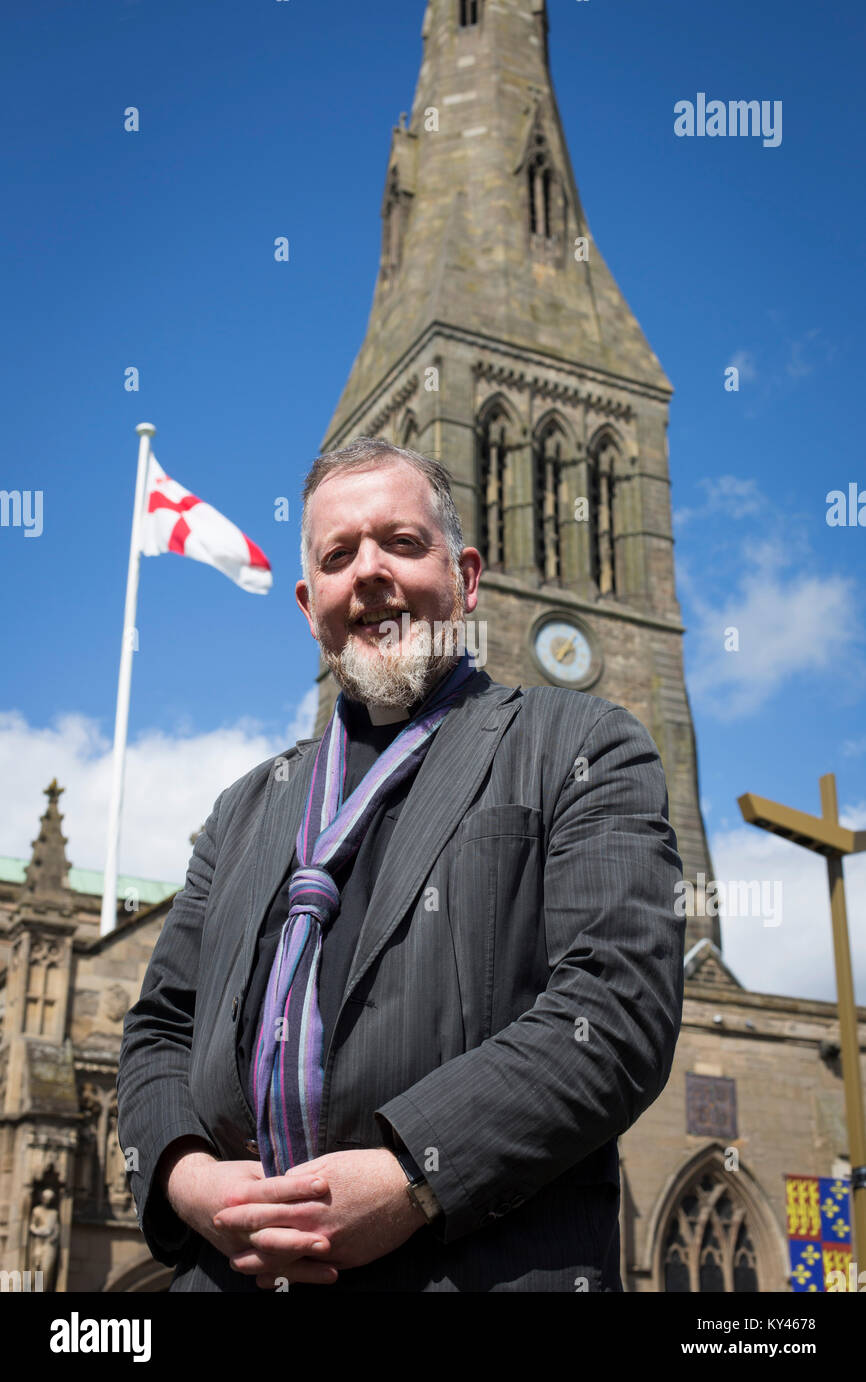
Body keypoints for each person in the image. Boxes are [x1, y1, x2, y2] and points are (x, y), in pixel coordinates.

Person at [117, 437, 685, 1292]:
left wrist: (412, 1176)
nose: (369, 573)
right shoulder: (243, 809)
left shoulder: (581, 745)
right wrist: (189, 1181)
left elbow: (617, 1007)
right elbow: (160, 1028)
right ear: (311, 605)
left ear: (466, 576)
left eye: (402, 544)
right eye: (340, 556)